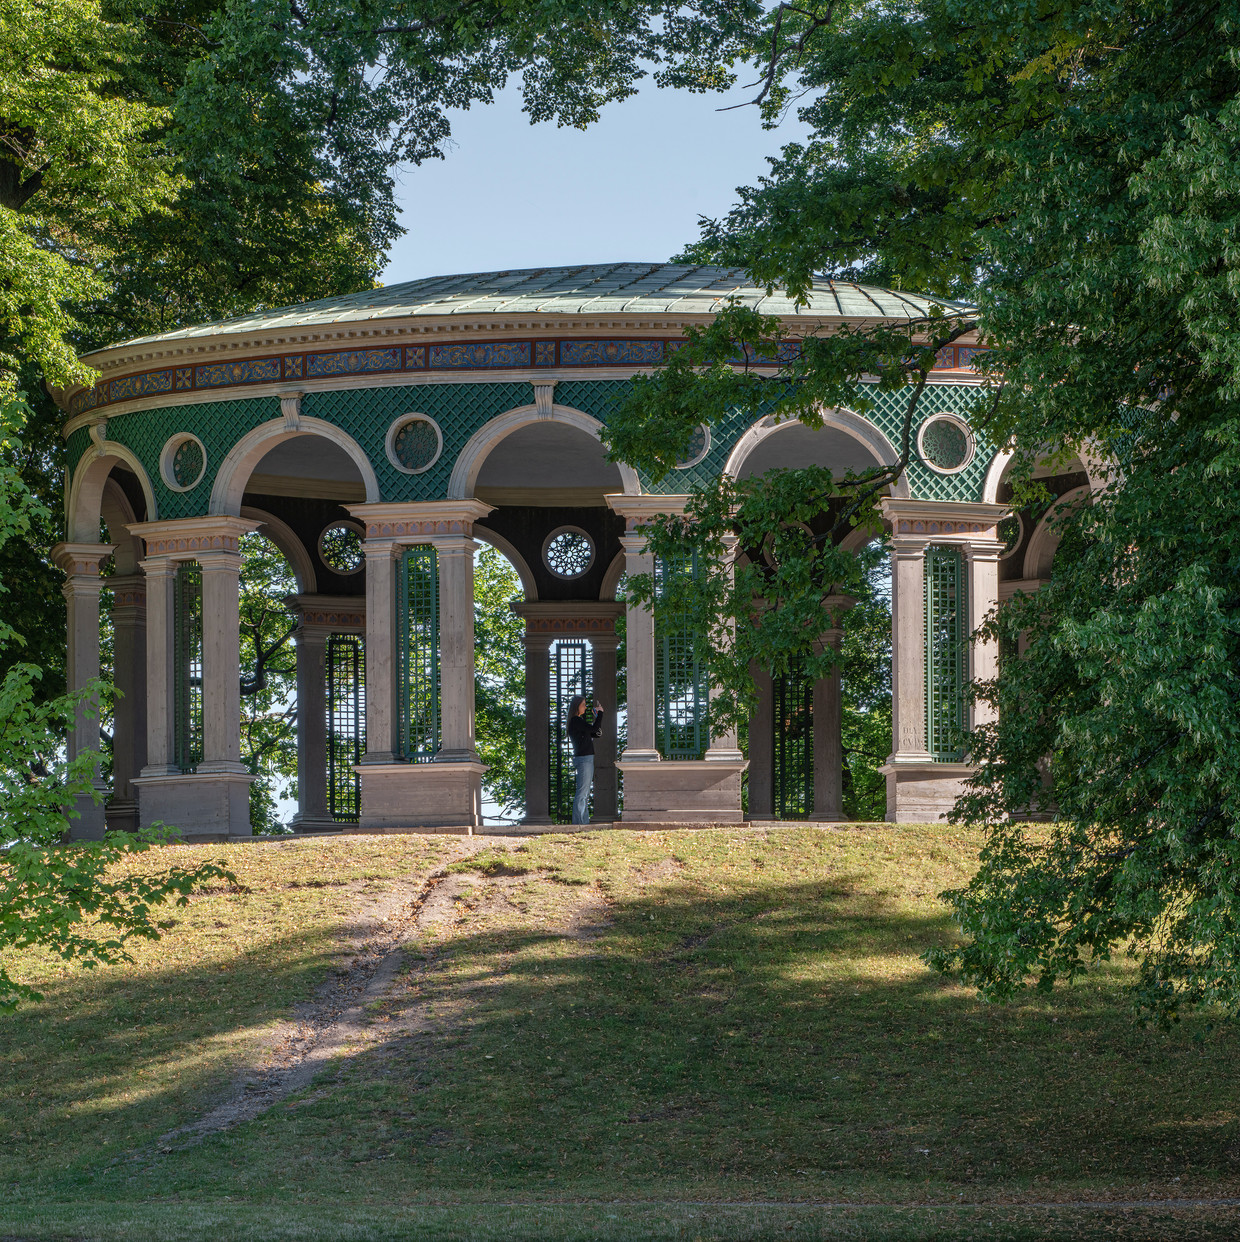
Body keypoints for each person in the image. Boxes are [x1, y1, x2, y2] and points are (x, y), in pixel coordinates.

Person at [566, 694, 605, 826]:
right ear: (577, 706)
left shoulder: (578, 722)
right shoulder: (576, 721)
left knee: (584, 793)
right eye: (583, 704)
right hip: (584, 759)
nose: (585, 707)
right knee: (582, 793)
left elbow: (596, 733)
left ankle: (584, 822)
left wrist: (597, 717)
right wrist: (600, 714)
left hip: (586, 759)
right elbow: (594, 729)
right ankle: (579, 823)